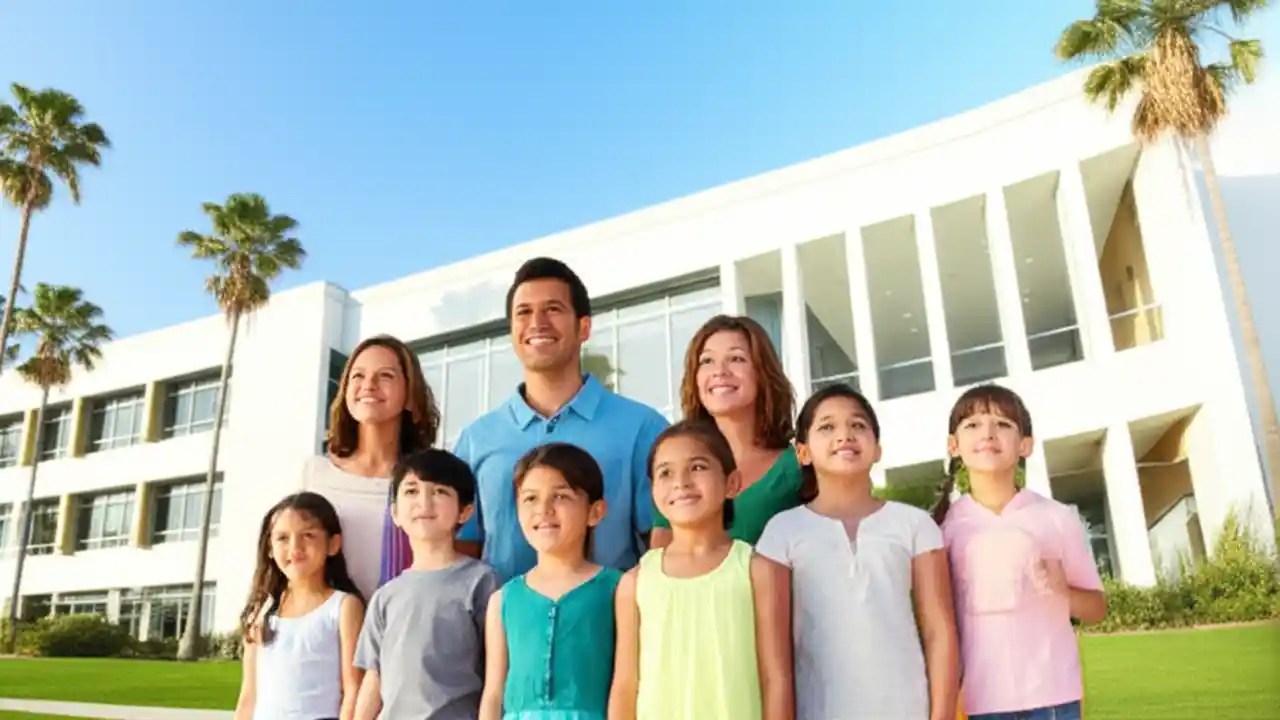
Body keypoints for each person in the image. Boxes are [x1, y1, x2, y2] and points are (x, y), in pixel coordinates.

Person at [454, 257, 669, 582]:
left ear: (584, 327)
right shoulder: (475, 440)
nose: (537, 323)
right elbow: (459, 555)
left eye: (553, 309)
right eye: (523, 312)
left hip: (611, 626)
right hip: (502, 629)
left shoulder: (643, 428)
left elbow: (666, 544)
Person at [757, 384, 959, 720]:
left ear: (877, 448)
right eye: (827, 427)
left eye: (858, 425)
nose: (844, 435)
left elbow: (940, 632)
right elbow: (774, 662)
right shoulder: (782, 533)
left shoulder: (915, 525)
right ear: (803, 452)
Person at [933, 383, 1107, 720]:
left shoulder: (1057, 517)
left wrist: (1061, 590)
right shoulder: (944, 528)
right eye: (972, 425)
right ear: (953, 446)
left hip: (1054, 695)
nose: (988, 433)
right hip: (980, 701)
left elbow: (1096, 609)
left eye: (1003, 424)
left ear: (1025, 445)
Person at [610, 420, 793, 720]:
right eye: (665, 472)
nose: (681, 481)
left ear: (732, 483)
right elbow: (625, 685)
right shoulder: (635, 583)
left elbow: (776, 678)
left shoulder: (758, 572)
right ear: (653, 491)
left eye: (697, 467)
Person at [353, 449, 500, 720]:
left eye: (440, 492)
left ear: (465, 511)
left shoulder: (482, 582)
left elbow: (497, 673)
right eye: (411, 491)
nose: (424, 502)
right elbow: (373, 679)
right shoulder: (385, 595)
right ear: (395, 513)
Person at [480, 443, 621, 720]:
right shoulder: (503, 600)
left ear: (595, 511)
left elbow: (626, 682)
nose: (544, 509)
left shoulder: (618, 589)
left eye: (561, 496)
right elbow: (493, 692)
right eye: (530, 498)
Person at [301, 334, 441, 599]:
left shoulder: (431, 480)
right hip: (328, 635)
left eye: (385, 376)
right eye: (358, 376)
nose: (369, 385)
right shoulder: (315, 474)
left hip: (406, 632)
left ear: (410, 395)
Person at [651, 315, 802, 548]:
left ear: (763, 374)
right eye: (707, 361)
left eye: (736, 359)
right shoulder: (675, 468)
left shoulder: (797, 467)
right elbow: (659, 567)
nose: (719, 371)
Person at [234, 492, 365, 720]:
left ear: (333, 544)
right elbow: (249, 695)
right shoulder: (261, 613)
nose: (295, 547)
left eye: (308, 535)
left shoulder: (343, 607)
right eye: (282, 538)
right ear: (269, 548)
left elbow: (353, 689)